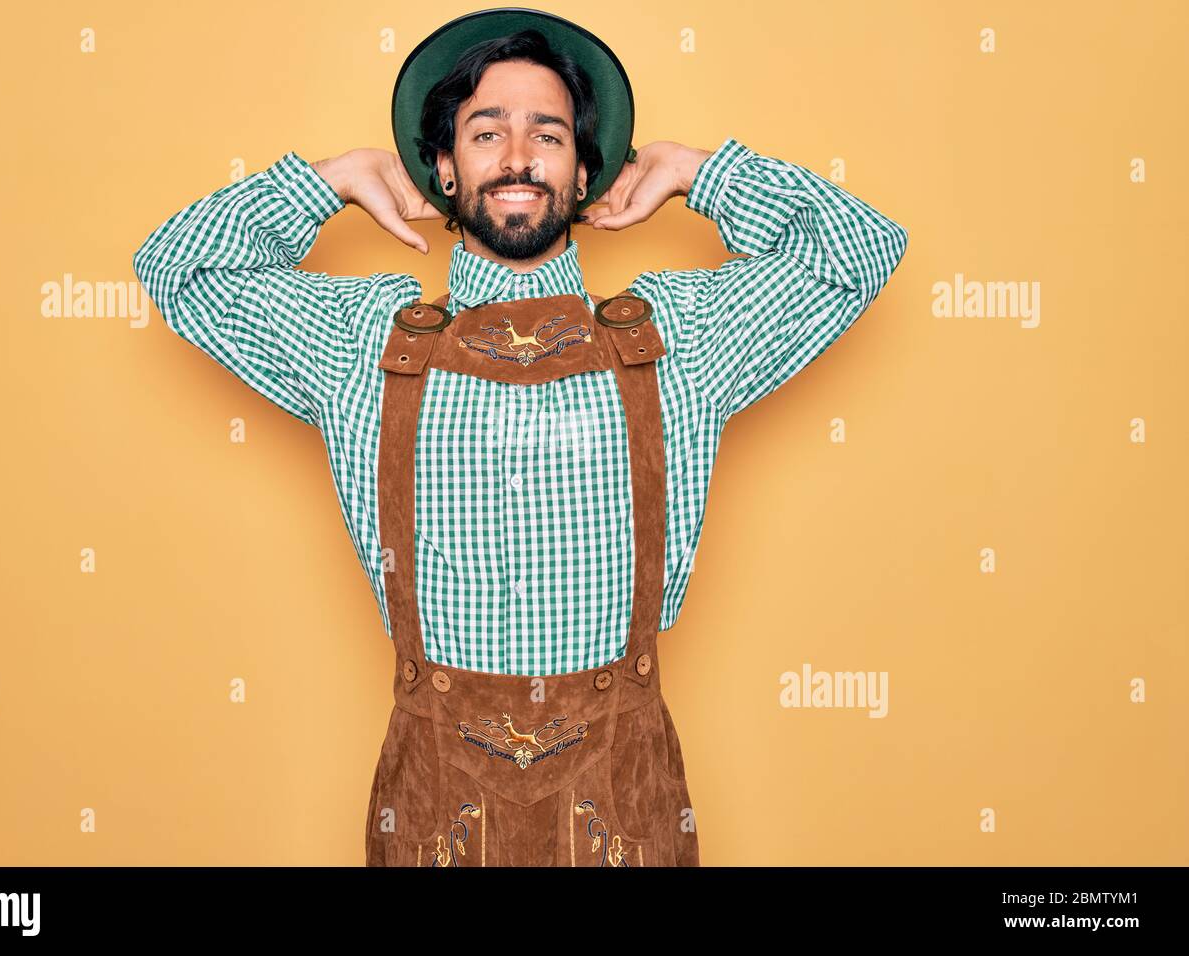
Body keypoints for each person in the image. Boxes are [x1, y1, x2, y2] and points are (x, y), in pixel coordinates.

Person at [132, 8, 908, 867]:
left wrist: (699, 172)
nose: (517, 155)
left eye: (548, 134)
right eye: (485, 131)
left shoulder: (682, 337)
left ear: (583, 175)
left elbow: (861, 247)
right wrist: (331, 179)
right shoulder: (361, 339)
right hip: (434, 819)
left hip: (626, 812)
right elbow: (177, 267)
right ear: (443, 171)